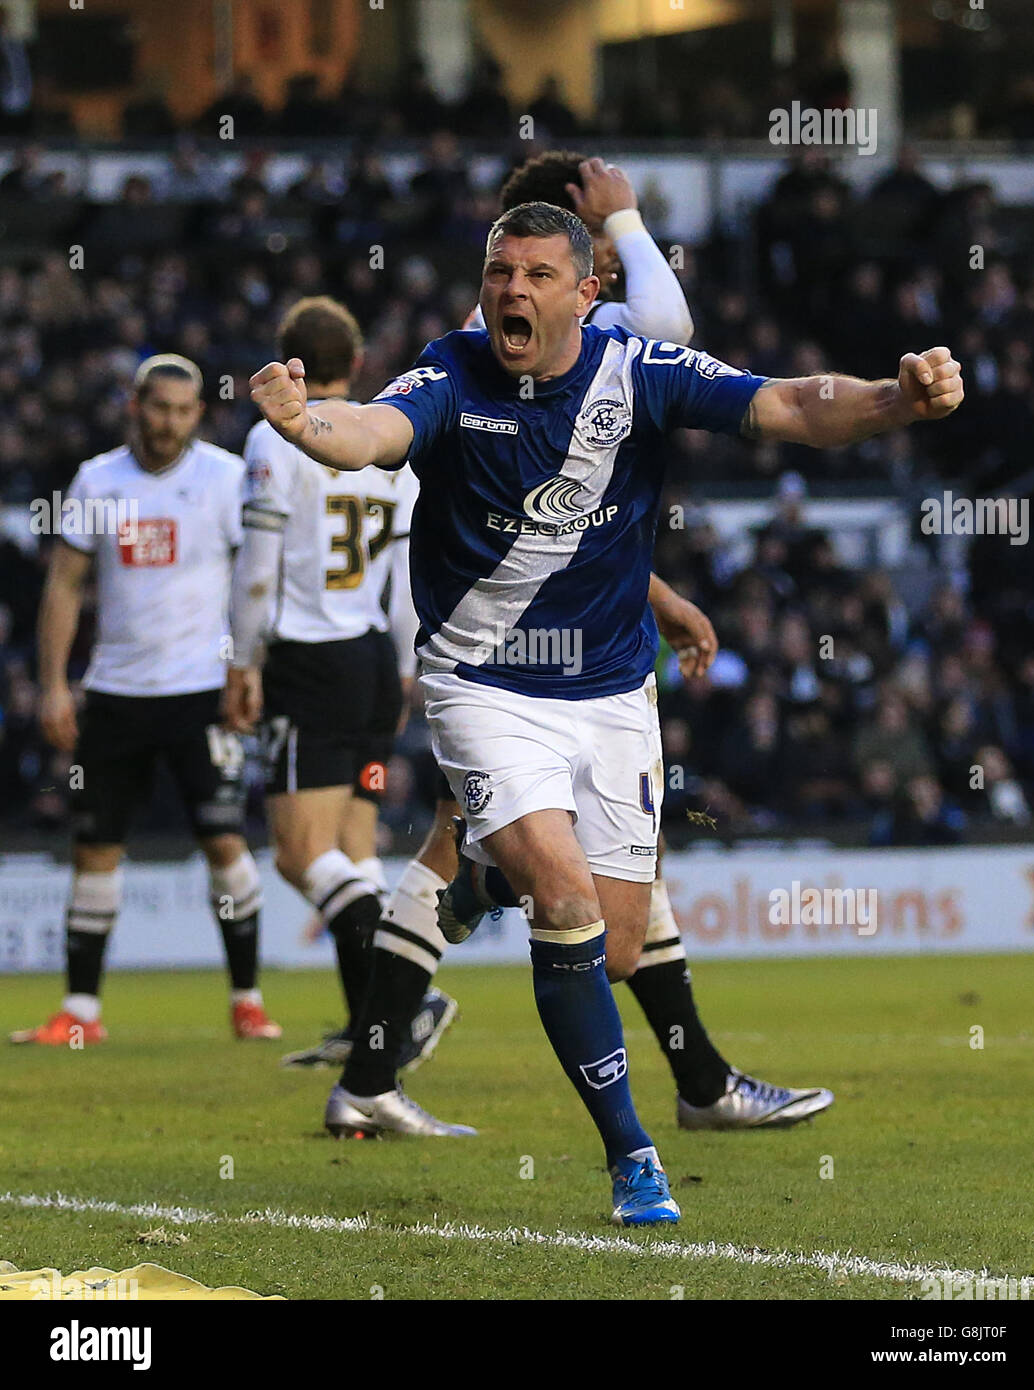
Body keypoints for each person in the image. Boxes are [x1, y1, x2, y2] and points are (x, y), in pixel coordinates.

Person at [249, 201, 963, 1221]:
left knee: (617, 945)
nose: (512, 292)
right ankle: (633, 1158)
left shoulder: (642, 374)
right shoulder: (452, 372)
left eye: (538, 275)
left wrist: (899, 400)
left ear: (590, 293)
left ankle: (484, 875)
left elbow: (796, 406)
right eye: (500, 273)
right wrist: (306, 422)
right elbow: (371, 430)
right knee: (567, 897)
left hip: (613, 692)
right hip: (482, 682)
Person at [319, 150, 832, 1135]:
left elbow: (564, 506)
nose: (525, 284)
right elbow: (667, 336)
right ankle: (696, 1081)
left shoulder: (548, 335)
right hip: (499, 648)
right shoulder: (505, 343)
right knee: (512, 864)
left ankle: (373, 1073)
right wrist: (631, 219)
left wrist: (660, 593)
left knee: (563, 880)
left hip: (560, 629)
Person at [223, 298, 466, 1131]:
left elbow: (258, 568)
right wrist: (404, 667)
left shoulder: (273, 437)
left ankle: (415, 998)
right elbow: (404, 573)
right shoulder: (385, 436)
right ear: (355, 363)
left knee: (299, 856)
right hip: (370, 658)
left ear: (285, 359)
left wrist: (242, 663)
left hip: (304, 660)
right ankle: (373, 1026)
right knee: (355, 856)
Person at [12, 356, 281, 1046]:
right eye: (159, 408)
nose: (170, 423)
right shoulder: (97, 480)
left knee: (224, 840)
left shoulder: (224, 478)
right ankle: (81, 1013)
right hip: (115, 693)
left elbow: (256, 578)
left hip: (202, 692)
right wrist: (51, 685)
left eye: (184, 411)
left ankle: (248, 1001)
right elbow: (64, 587)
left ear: (199, 413)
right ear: (135, 405)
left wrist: (247, 667)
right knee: (96, 847)